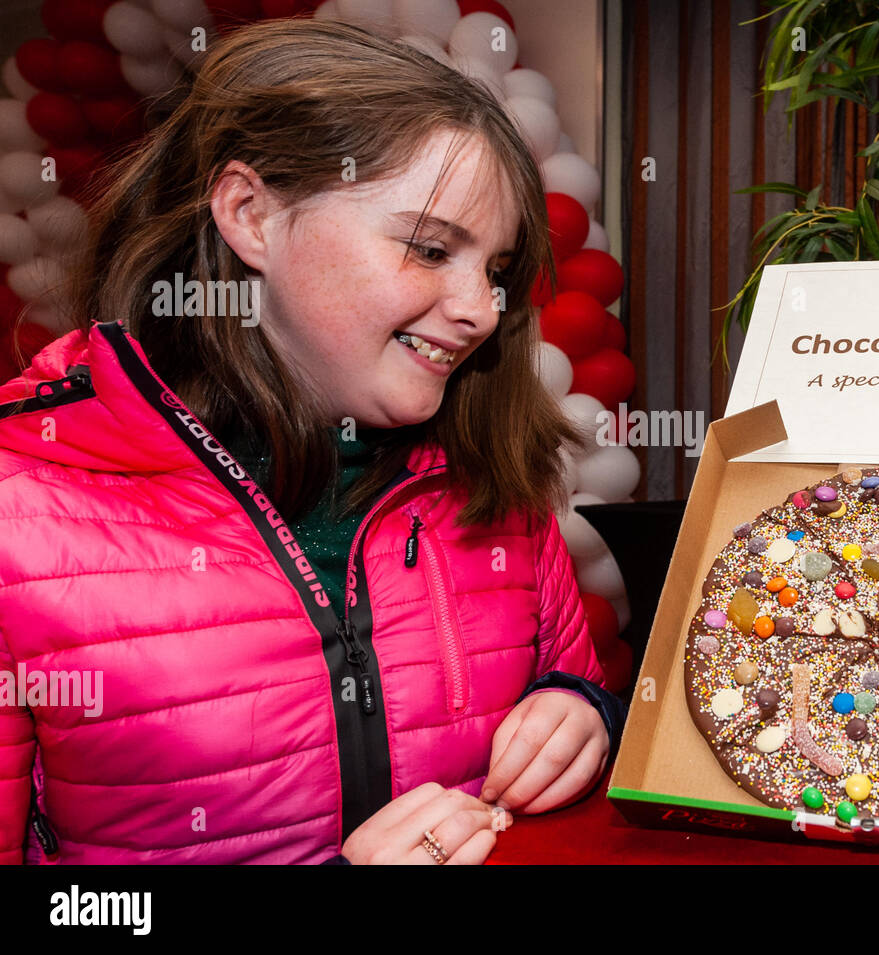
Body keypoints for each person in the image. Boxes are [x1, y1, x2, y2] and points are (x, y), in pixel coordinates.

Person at [0, 18, 626, 865]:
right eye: (431, 247)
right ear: (251, 215)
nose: (482, 309)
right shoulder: (22, 509)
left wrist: (585, 713)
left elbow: (568, 731)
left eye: (496, 270)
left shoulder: (491, 479)